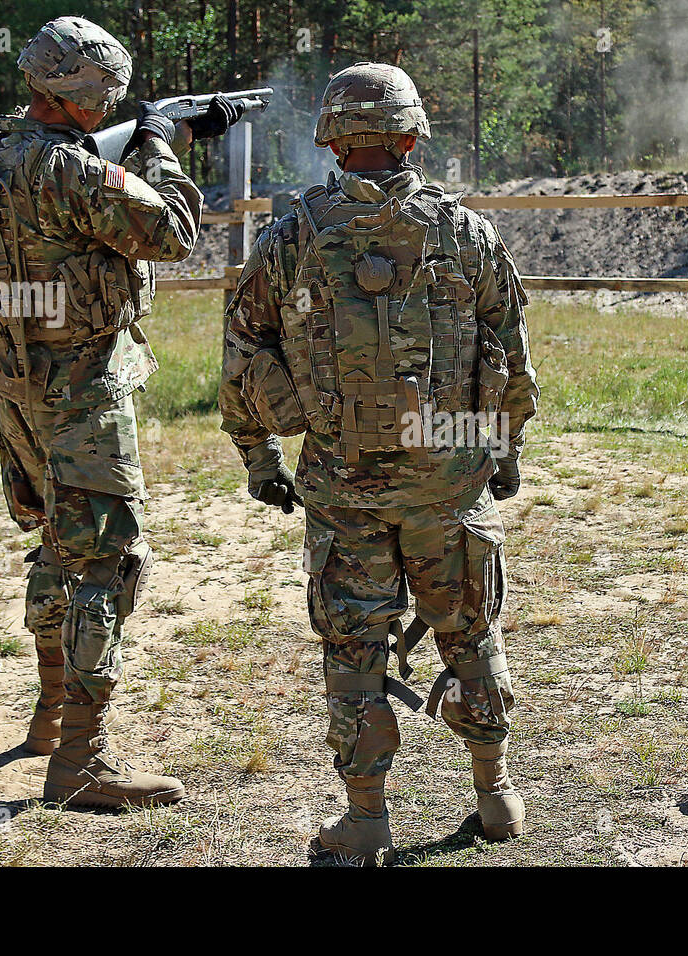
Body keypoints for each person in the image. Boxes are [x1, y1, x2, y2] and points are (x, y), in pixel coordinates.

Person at [219, 62, 539, 863]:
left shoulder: (290, 236)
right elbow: (514, 358)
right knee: (470, 630)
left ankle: (366, 821)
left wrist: (260, 456)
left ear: (332, 139)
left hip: (342, 488)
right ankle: (496, 796)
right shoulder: (466, 233)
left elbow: (241, 352)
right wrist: (504, 457)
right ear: (409, 137)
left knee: (353, 648)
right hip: (449, 485)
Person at [0, 16, 240, 808]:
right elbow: (173, 232)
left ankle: (51, 715)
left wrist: (129, 137)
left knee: (56, 541)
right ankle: (82, 761)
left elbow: (54, 192)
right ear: (80, 95)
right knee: (104, 561)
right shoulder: (70, 171)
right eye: (105, 94)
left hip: (17, 378)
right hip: (81, 387)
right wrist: (160, 145)